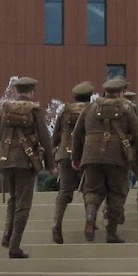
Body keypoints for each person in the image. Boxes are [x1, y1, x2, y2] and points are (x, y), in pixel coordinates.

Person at [70, 77, 138, 243]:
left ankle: (90, 217)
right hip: (117, 158)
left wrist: (76, 158)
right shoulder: (127, 108)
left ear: (105, 92)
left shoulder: (90, 107)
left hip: (91, 157)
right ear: (121, 93)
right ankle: (111, 233)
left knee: (92, 191)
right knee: (117, 193)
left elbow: (76, 134)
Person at [0, 77, 55, 258]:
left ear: (16, 91)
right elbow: (45, 138)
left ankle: (7, 234)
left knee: (13, 199)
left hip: (5, 161)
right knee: (23, 205)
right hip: (26, 162)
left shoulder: (3, 109)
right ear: (32, 92)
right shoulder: (34, 110)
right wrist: (51, 165)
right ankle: (15, 245)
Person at [50, 82, 94, 244]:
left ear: (75, 97)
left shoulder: (65, 111)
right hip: (87, 154)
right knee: (90, 189)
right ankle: (90, 219)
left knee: (64, 191)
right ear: (90, 96)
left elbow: (56, 135)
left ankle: (57, 222)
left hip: (65, 153)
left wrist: (53, 156)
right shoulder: (93, 110)